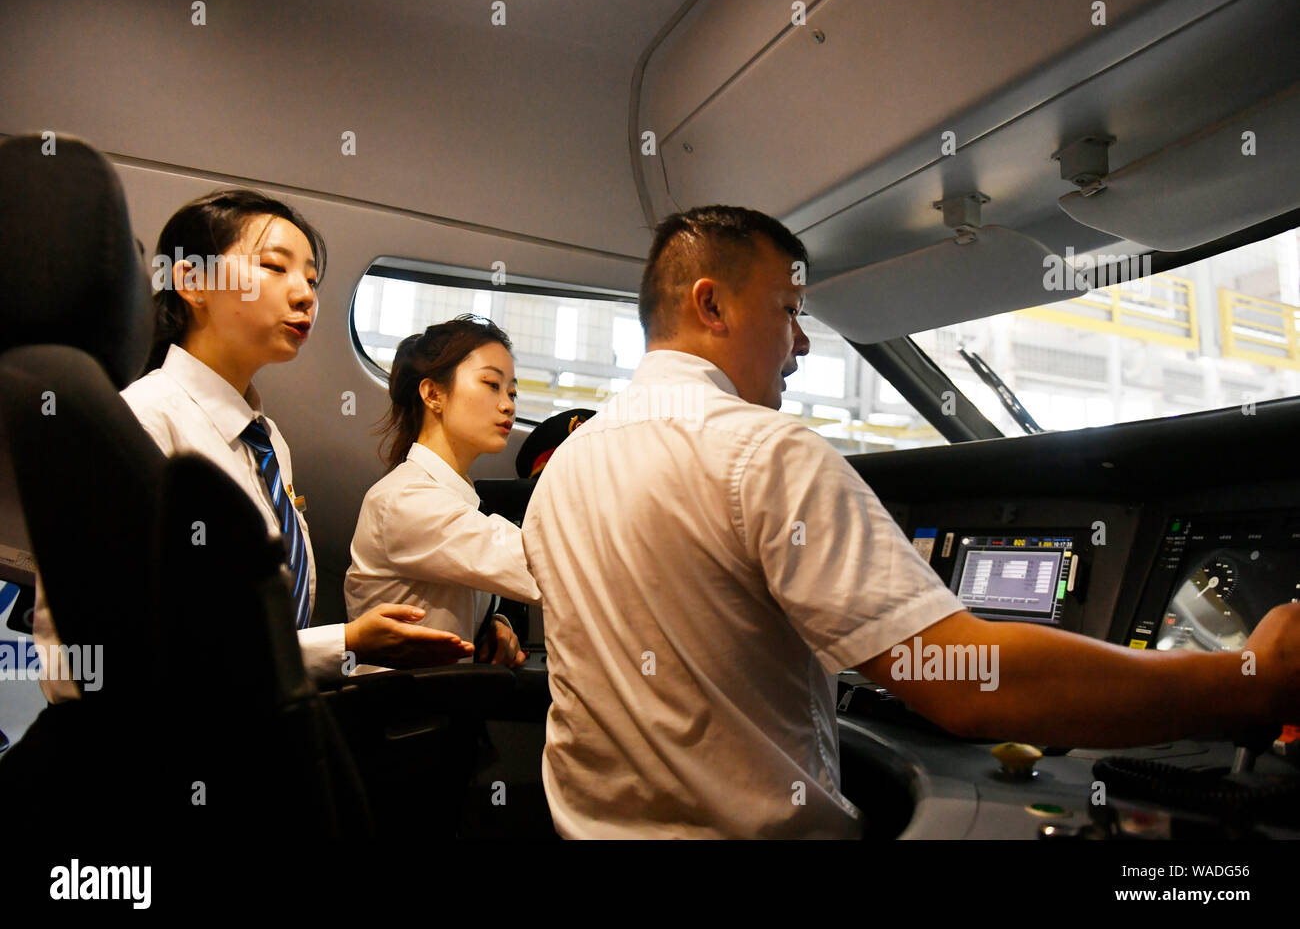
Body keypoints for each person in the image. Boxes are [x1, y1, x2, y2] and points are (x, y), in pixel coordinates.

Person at [521, 204, 1300, 838]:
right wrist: (1246, 681)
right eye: (788, 311)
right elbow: (963, 681)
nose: (799, 343)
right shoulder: (760, 451)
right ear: (712, 304)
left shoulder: (566, 472)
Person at [34, 189, 473, 702]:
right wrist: (344, 642)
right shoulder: (141, 426)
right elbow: (80, 658)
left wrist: (350, 648)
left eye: (311, 279)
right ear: (193, 282)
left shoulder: (265, 440)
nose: (306, 294)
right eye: (274, 267)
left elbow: (232, 630)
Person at [345, 315, 538, 668]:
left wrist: (491, 624)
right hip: (402, 715)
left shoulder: (450, 496)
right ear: (433, 394)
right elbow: (541, 569)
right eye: (491, 384)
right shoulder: (407, 500)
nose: (508, 404)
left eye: (512, 392)